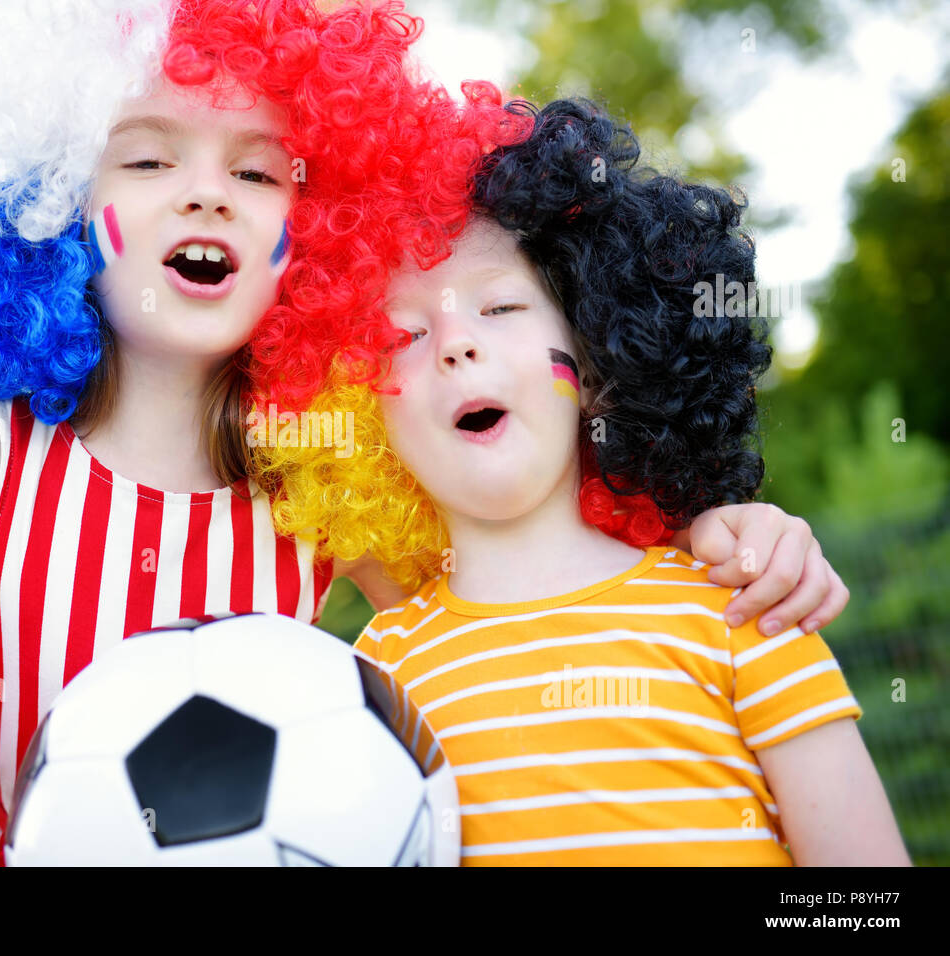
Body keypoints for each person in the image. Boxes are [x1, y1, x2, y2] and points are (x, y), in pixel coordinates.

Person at [0, 0, 851, 866]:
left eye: (258, 169)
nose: (207, 191)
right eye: (146, 157)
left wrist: (724, 530)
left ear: (317, 238)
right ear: (45, 208)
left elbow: (519, 587)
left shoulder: (313, 477)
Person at [345, 97, 909, 864]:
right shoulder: (368, 681)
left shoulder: (743, 609)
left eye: (500, 305)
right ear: (356, 414)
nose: (455, 346)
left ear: (596, 359)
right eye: (402, 335)